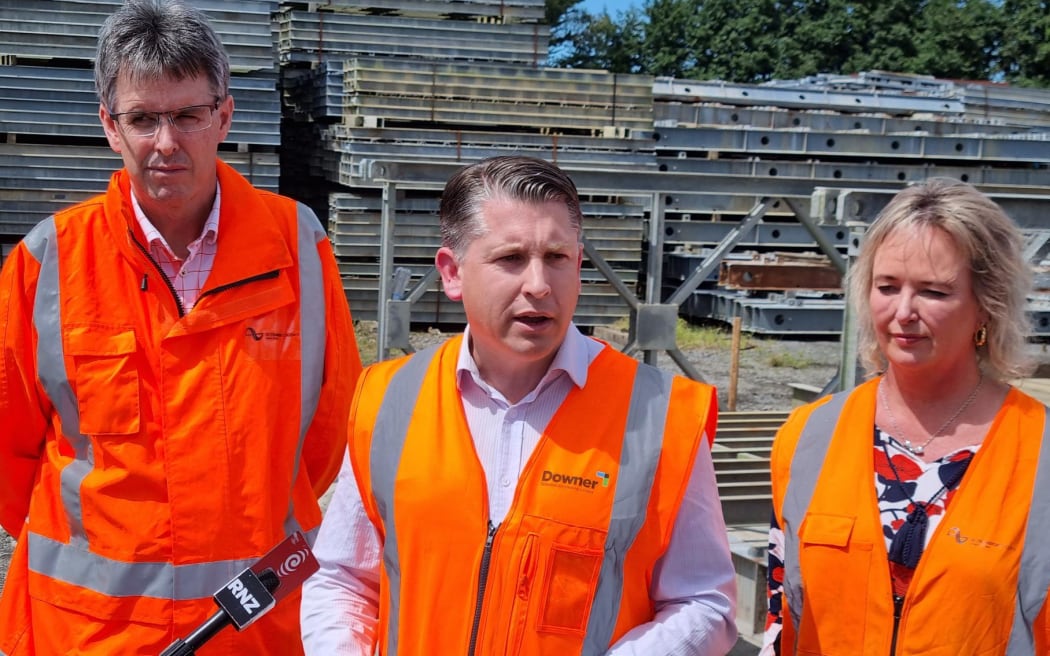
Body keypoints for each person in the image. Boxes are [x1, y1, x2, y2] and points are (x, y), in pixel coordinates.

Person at [0, 1, 362, 653]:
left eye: (189, 115)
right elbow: (9, 451)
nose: (167, 143)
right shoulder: (46, 262)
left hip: (253, 628)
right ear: (110, 126)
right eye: (143, 119)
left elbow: (326, 431)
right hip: (88, 632)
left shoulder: (298, 247)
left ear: (223, 115)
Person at [299, 155, 738, 654]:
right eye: (511, 259)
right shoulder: (389, 400)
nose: (539, 284)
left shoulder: (661, 414)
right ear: (452, 273)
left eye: (557, 257)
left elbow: (704, 603)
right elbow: (342, 578)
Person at [762, 177, 1050, 655]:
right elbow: (780, 614)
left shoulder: (1039, 451)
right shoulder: (808, 436)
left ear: (987, 305)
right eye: (887, 286)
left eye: (935, 292)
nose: (903, 312)